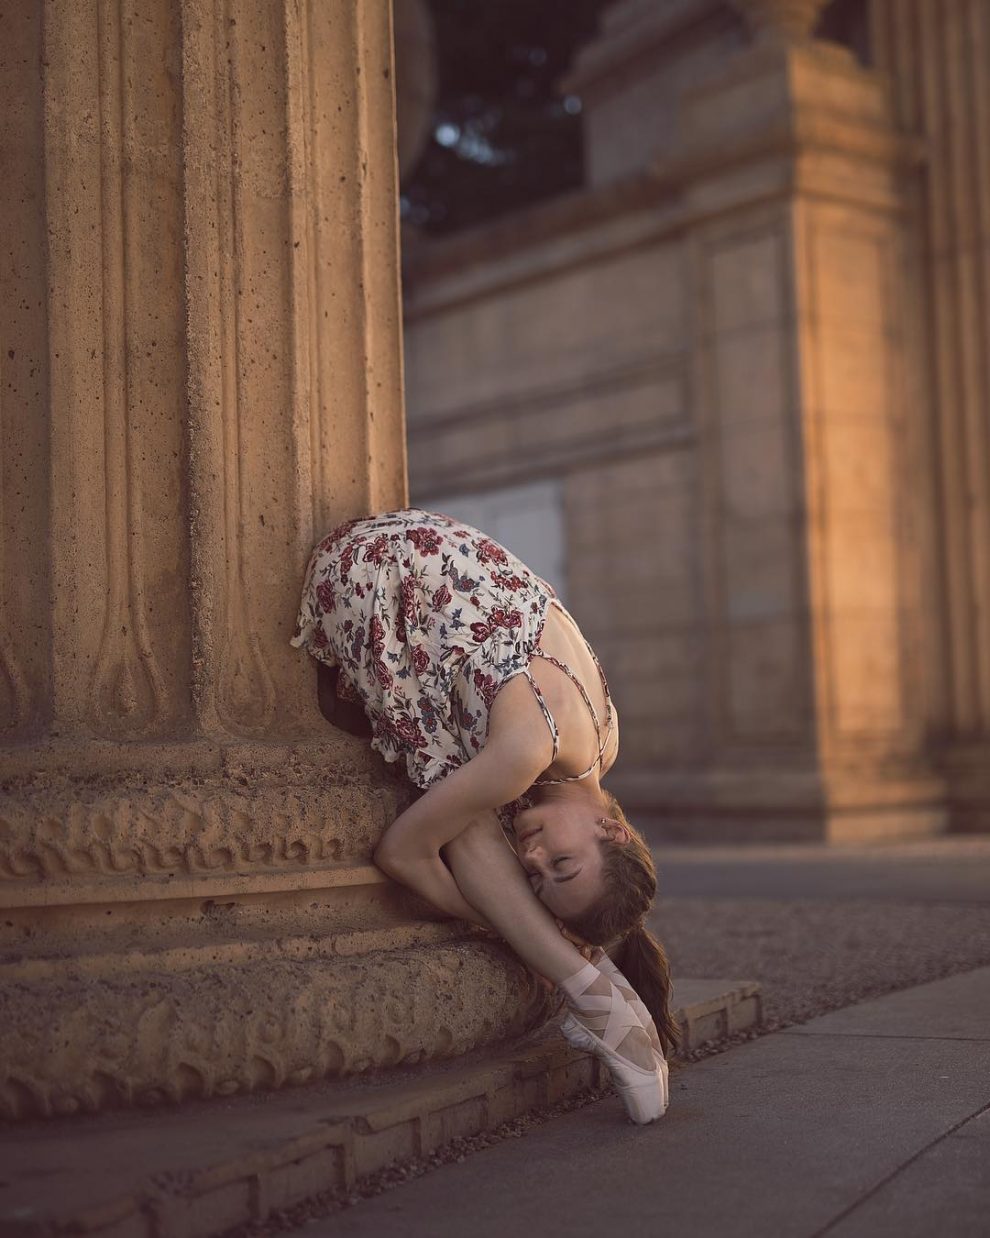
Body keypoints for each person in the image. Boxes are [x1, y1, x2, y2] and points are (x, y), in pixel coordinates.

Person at [291, 508, 678, 1122]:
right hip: (367, 571)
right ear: (613, 828)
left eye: (537, 879)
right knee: (460, 805)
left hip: (416, 548)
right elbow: (402, 854)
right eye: (563, 865)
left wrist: (532, 923)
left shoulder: (602, 742)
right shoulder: (527, 752)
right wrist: (519, 929)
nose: (533, 858)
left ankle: (601, 997)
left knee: (463, 795)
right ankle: (597, 1000)